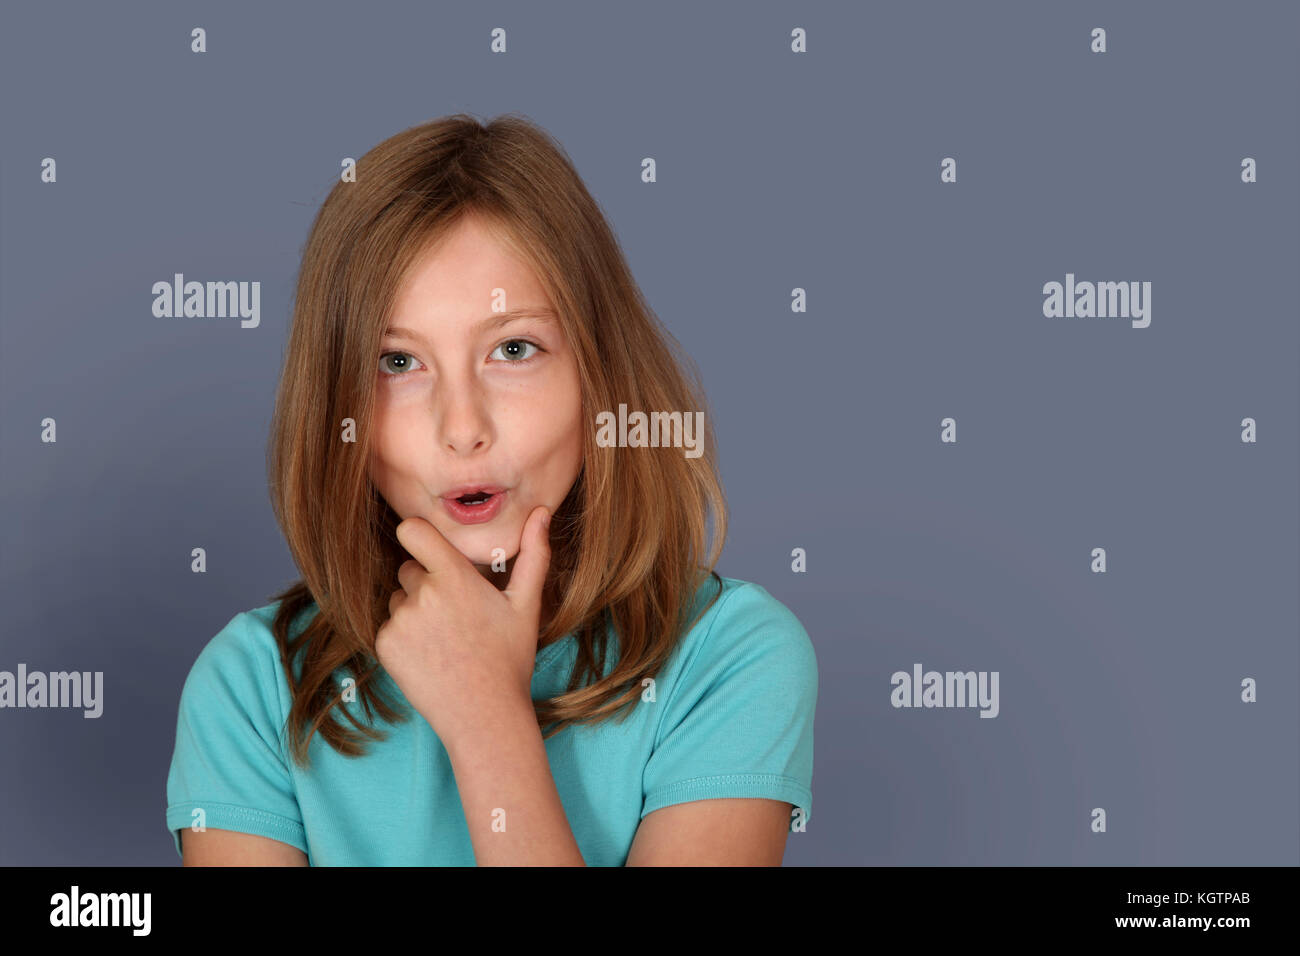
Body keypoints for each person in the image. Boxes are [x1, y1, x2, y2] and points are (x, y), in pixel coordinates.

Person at [164, 113, 817, 865]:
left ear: (598, 377)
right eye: (398, 363)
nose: (462, 427)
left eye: (513, 348)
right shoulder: (251, 689)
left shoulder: (729, 658)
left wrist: (486, 719)